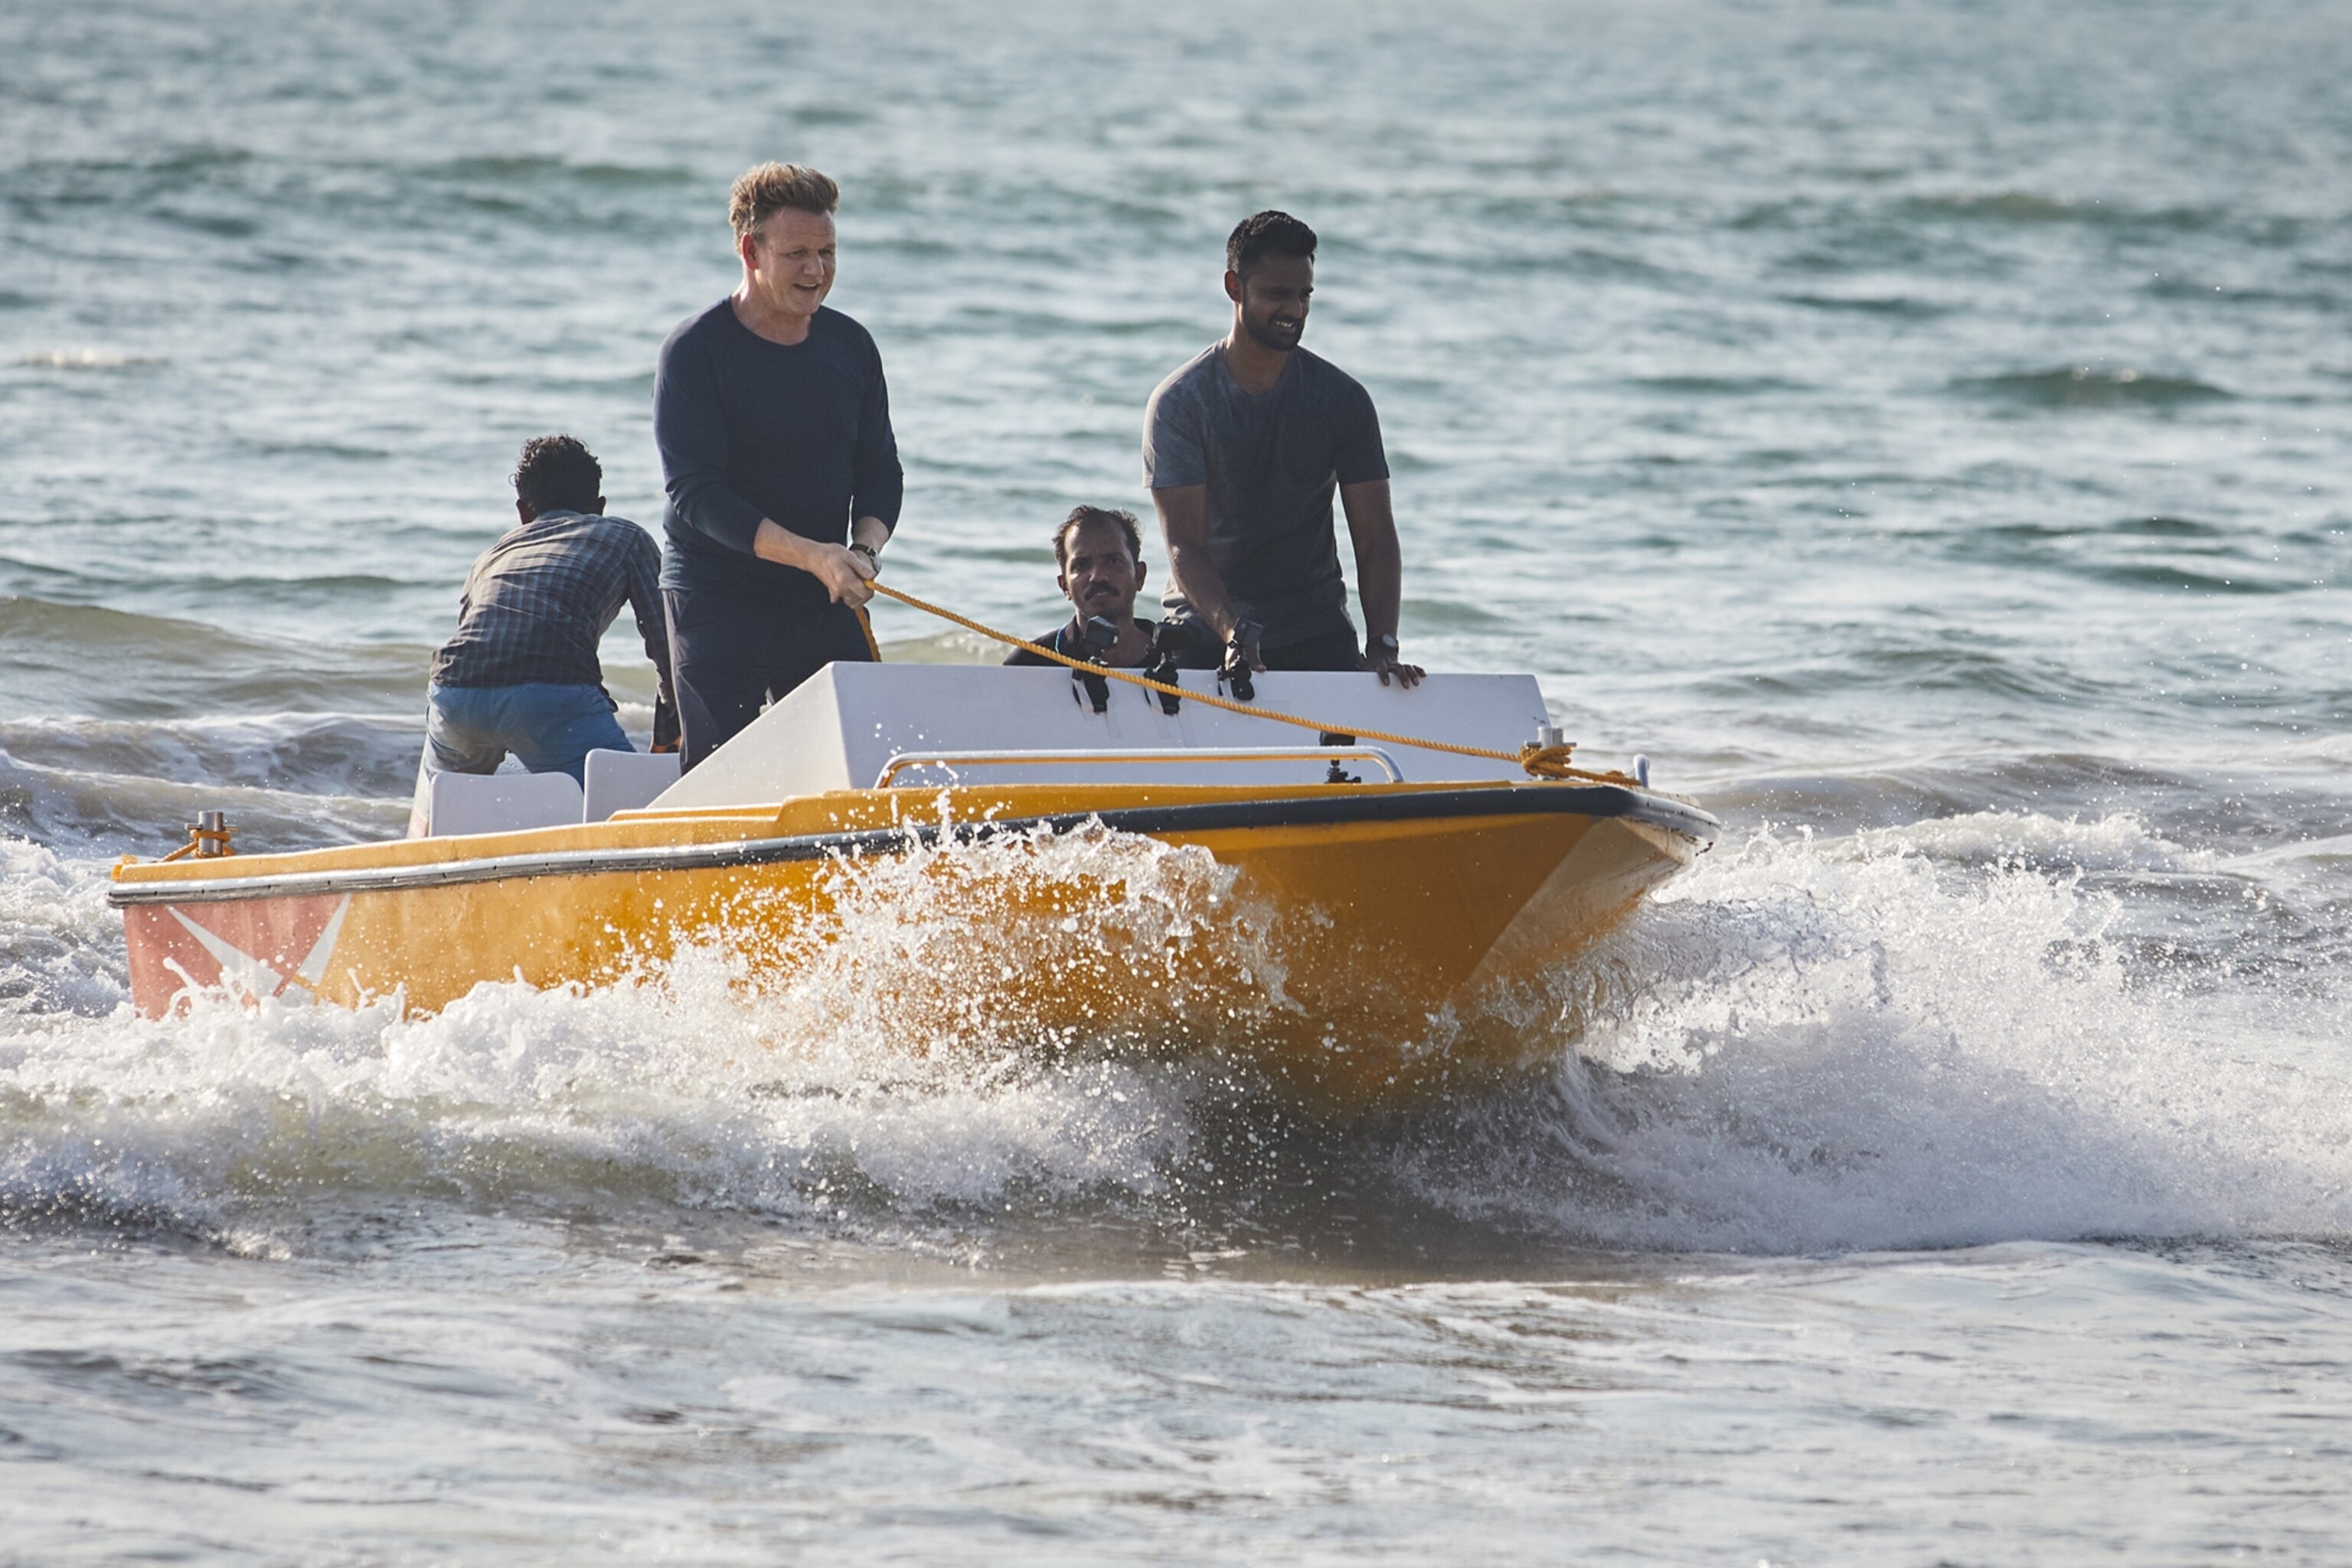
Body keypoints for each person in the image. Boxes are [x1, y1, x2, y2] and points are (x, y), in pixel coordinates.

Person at [654, 162, 903, 769]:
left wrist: (863, 552)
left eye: (828, 252)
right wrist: (814, 554)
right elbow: (696, 494)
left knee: (865, 770)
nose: (817, 271)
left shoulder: (852, 346)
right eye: (797, 254)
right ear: (750, 250)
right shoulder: (695, 352)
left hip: (821, 594)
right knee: (725, 778)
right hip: (716, 597)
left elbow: (881, 471)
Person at [1142, 210, 1424, 689]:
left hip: (1315, 631)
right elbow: (1182, 545)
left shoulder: (1343, 400)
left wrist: (1383, 646)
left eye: (1304, 294)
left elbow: (1376, 539)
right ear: (1235, 287)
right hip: (1205, 629)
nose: (1294, 310)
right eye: (1277, 294)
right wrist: (1233, 633)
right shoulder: (1181, 402)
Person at [412, 435, 678, 828]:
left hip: (455, 691)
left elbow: (473, 632)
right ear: (598, 507)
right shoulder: (624, 536)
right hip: (550, 693)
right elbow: (668, 646)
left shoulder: (493, 554)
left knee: (444, 817)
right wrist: (669, 734)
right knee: (626, 815)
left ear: (523, 511)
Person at [1002, 505, 1203, 670]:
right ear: (1064, 586)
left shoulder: (1186, 661)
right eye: (1081, 565)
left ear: (1139, 576)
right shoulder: (1029, 665)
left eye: (1113, 561)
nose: (1098, 576)